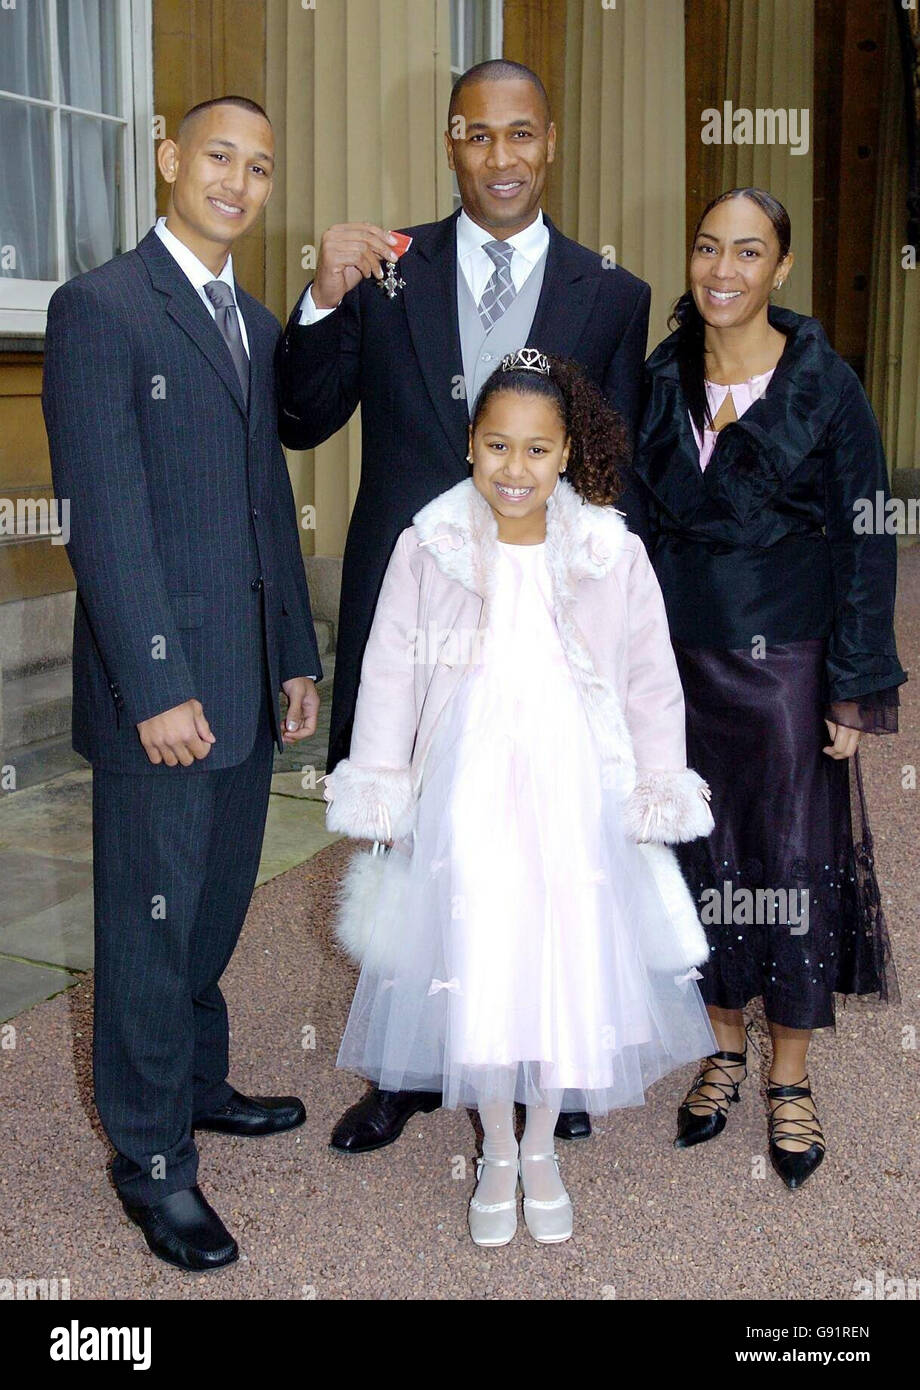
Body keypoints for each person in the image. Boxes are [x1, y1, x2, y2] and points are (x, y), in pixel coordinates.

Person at [276, 58, 652, 1151]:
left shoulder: (609, 294)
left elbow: (610, 475)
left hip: (544, 628)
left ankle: (546, 1059)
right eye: (477, 136)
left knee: (543, 842)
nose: (501, 157)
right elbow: (302, 414)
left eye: (520, 134)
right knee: (412, 849)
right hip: (413, 616)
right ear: (450, 144)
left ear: (551, 142)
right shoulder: (386, 270)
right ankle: (407, 1063)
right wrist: (318, 298)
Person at [322, 349, 716, 1246]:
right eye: (497, 446)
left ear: (569, 452)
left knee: (561, 961)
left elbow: (654, 679)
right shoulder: (429, 546)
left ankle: (543, 1144)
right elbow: (386, 671)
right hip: (467, 789)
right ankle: (496, 1147)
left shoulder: (610, 552)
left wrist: (658, 782)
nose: (515, 469)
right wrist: (381, 783)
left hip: (574, 786)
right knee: (485, 963)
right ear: (470, 444)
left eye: (537, 451)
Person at [42, 97, 323, 1271]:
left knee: (210, 911)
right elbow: (101, 518)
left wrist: (298, 654)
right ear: (168, 159)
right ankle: (151, 1157)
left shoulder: (249, 320)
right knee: (150, 930)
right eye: (219, 156)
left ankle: (197, 1084)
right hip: (159, 686)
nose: (238, 182)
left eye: (259, 167)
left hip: (247, 679)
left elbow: (267, 506)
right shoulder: (99, 308)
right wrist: (155, 683)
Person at [635, 188, 906, 1189]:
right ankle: (723, 1048)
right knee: (696, 857)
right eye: (707, 247)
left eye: (746, 252)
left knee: (787, 863)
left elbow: (864, 539)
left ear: (778, 269)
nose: (721, 269)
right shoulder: (657, 375)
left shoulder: (823, 388)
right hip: (674, 665)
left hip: (785, 669)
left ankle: (788, 1074)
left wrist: (851, 688)